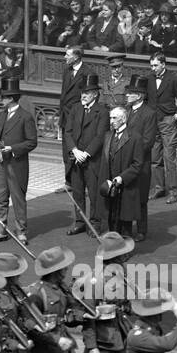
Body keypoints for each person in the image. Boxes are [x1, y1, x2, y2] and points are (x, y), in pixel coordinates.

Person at [0, 72, 36, 244]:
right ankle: (0, 229)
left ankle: (21, 231)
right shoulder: (2, 114)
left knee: (18, 199)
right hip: (1, 163)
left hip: (16, 164)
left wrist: (13, 148)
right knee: (0, 198)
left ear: (12, 98)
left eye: (4, 97)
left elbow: (32, 142)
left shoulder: (26, 117)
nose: (2, 100)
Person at [64, 73, 107, 235]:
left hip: (92, 159)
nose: (83, 96)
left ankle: (95, 222)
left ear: (95, 94)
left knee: (94, 193)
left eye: (87, 93)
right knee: (77, 192)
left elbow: (100, 136)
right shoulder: (75, 108)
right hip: (75, 158)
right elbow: (67, 132)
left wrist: (86, 153)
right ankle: (80, 221)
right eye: (82, 92)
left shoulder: (102, 111)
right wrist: (75, 150)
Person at [145, 53, 177, 204]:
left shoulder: (173, 79)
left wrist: (176, 117)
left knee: (169, 158)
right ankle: (158, 188)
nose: (153, 68)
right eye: (151, 65)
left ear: (163, 64)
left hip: (167, 121)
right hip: (153, 122)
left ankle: (173, 191)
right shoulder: (149, 78)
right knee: (154, 158)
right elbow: (145, 99)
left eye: (155, 65)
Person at [122, 75, 158, 240]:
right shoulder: (126, 110)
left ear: (139, 95)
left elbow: (148, 141)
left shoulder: (149, 113)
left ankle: (142, 230)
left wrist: (131, 152)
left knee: (141, 197)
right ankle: (126, 228)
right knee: (127, 196)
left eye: (130, 93)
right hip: (124, 161)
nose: (127, 95)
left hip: (140, 162)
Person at [102, 104, 145, 238]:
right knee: (112, 219)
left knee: (125, 221)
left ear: (123, 119)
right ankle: (113, 248)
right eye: (110, 118)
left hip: (126, 186)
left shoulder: (135, 137)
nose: (111, 121)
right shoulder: (108, 136)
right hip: (110, 186)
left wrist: (122, 178)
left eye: (115, 118)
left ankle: (124, 252)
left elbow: (137, 164)